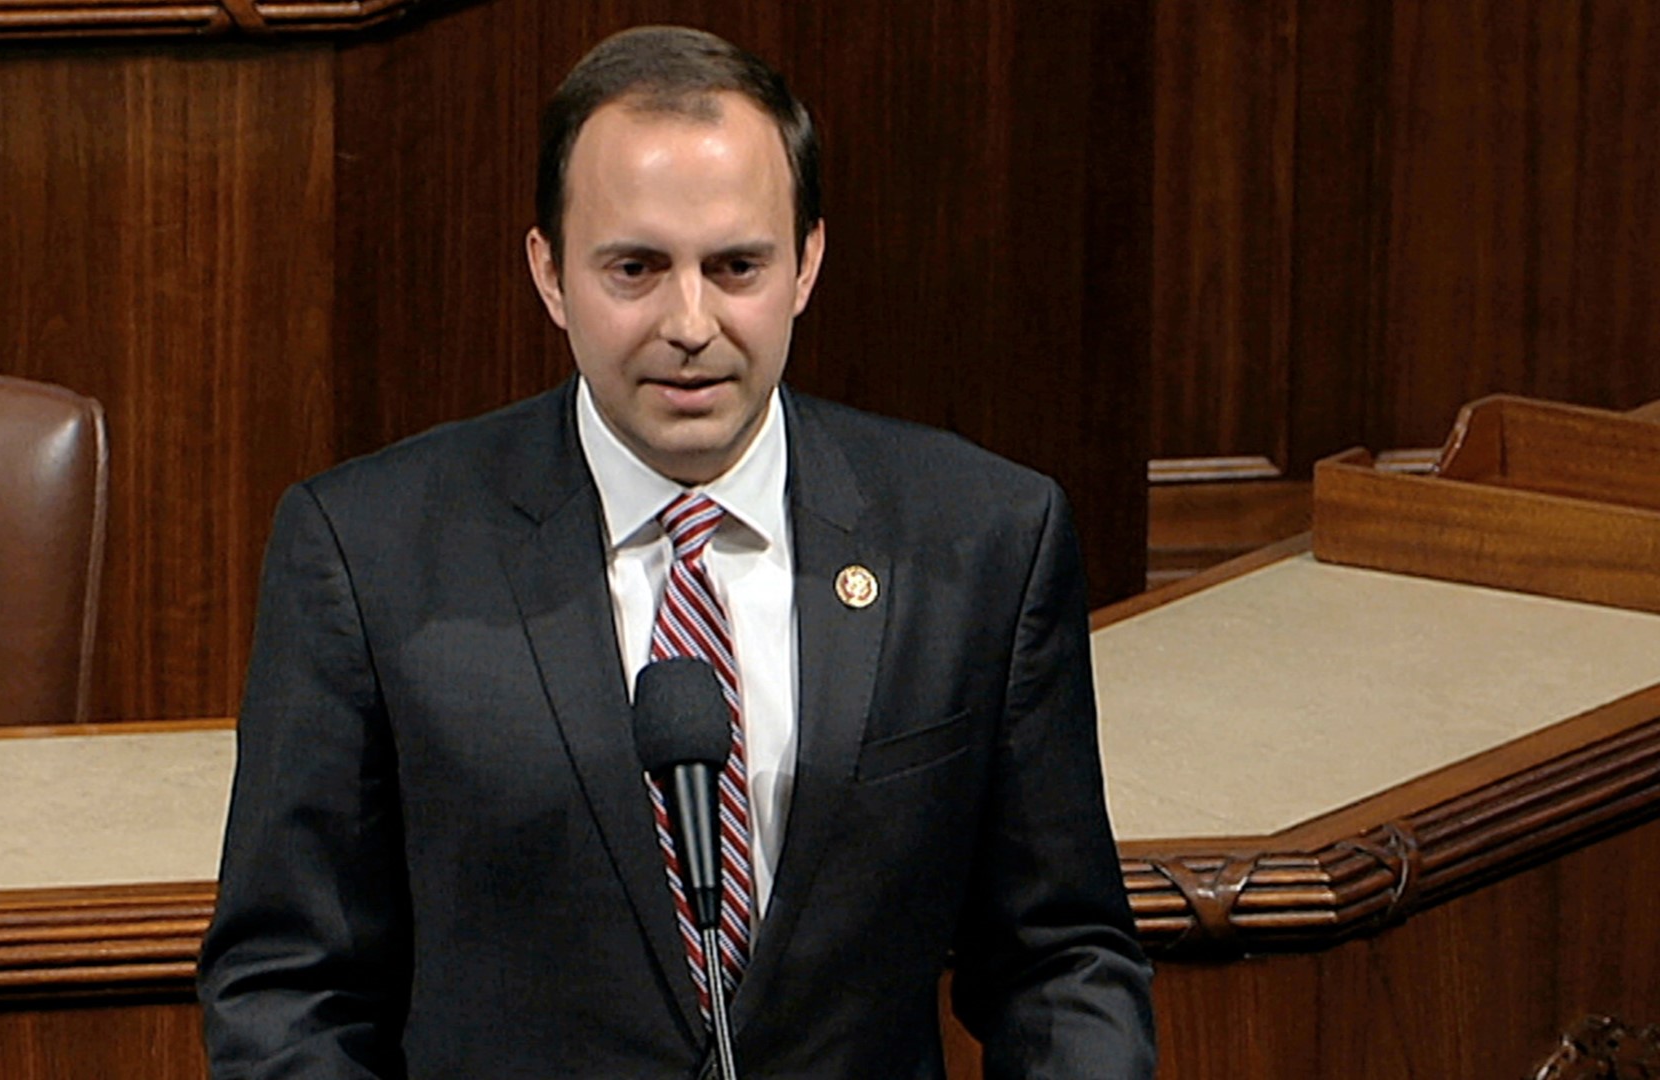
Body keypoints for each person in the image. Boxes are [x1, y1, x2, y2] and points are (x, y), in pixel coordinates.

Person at [198, 25, 1155, 1079]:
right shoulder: (367, 552)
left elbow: (1062, 963)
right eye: (636, 268)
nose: (689, 321)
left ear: (808, 265)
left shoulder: (982, 540)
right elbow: (287, 987)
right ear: (550, 273)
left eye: (736, 265)